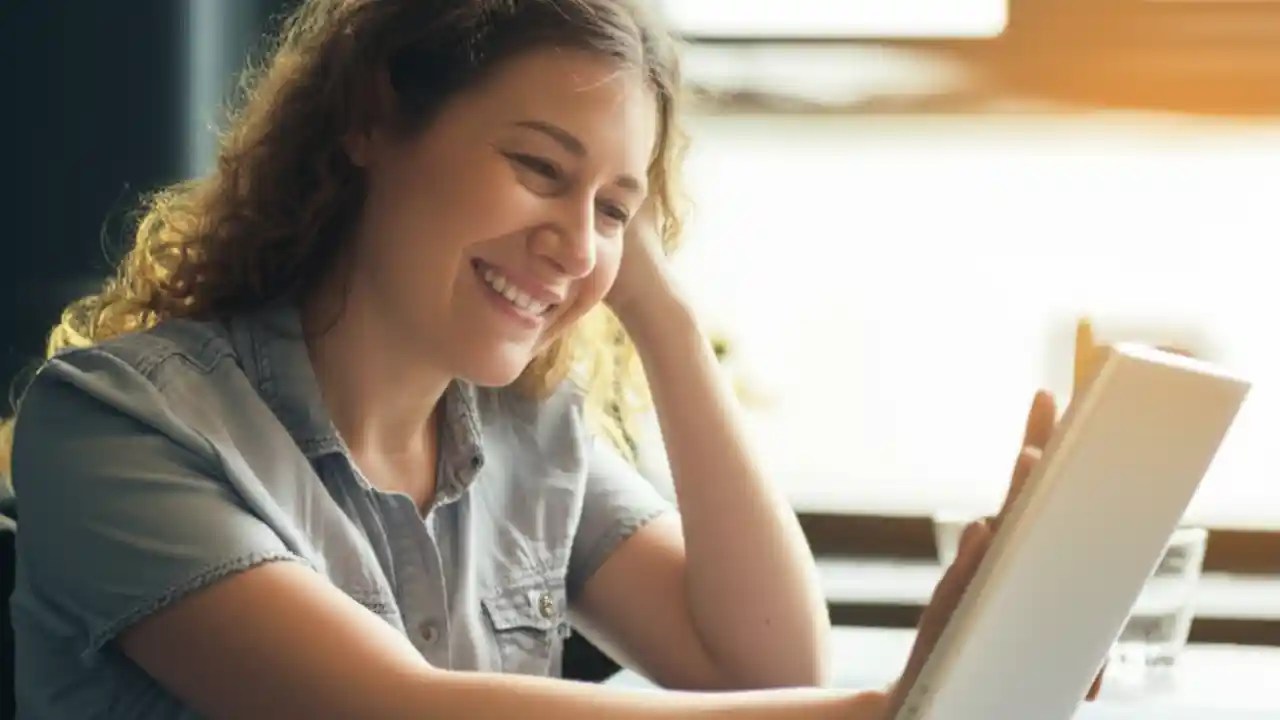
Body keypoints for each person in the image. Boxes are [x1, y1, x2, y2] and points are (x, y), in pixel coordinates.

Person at [0, 1, 1061, 717]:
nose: (577, 244)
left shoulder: (525, 435)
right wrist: (895, 712)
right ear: (374, 119)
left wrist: (662, 315)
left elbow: (763, 665)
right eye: (536, 167)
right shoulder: (112, 425)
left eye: (615, 209)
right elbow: (395, 712)